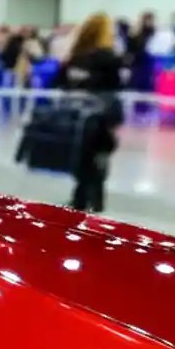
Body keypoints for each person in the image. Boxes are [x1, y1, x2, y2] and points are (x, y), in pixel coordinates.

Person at [55, 12, 124, 213]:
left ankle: (81, 200)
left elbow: (61, 83)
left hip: (75, 115)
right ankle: (94, 202)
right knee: (97, 159)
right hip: (100, 118)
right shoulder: (108, 58)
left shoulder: (74, 57)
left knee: (83, 158)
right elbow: (115, 87)